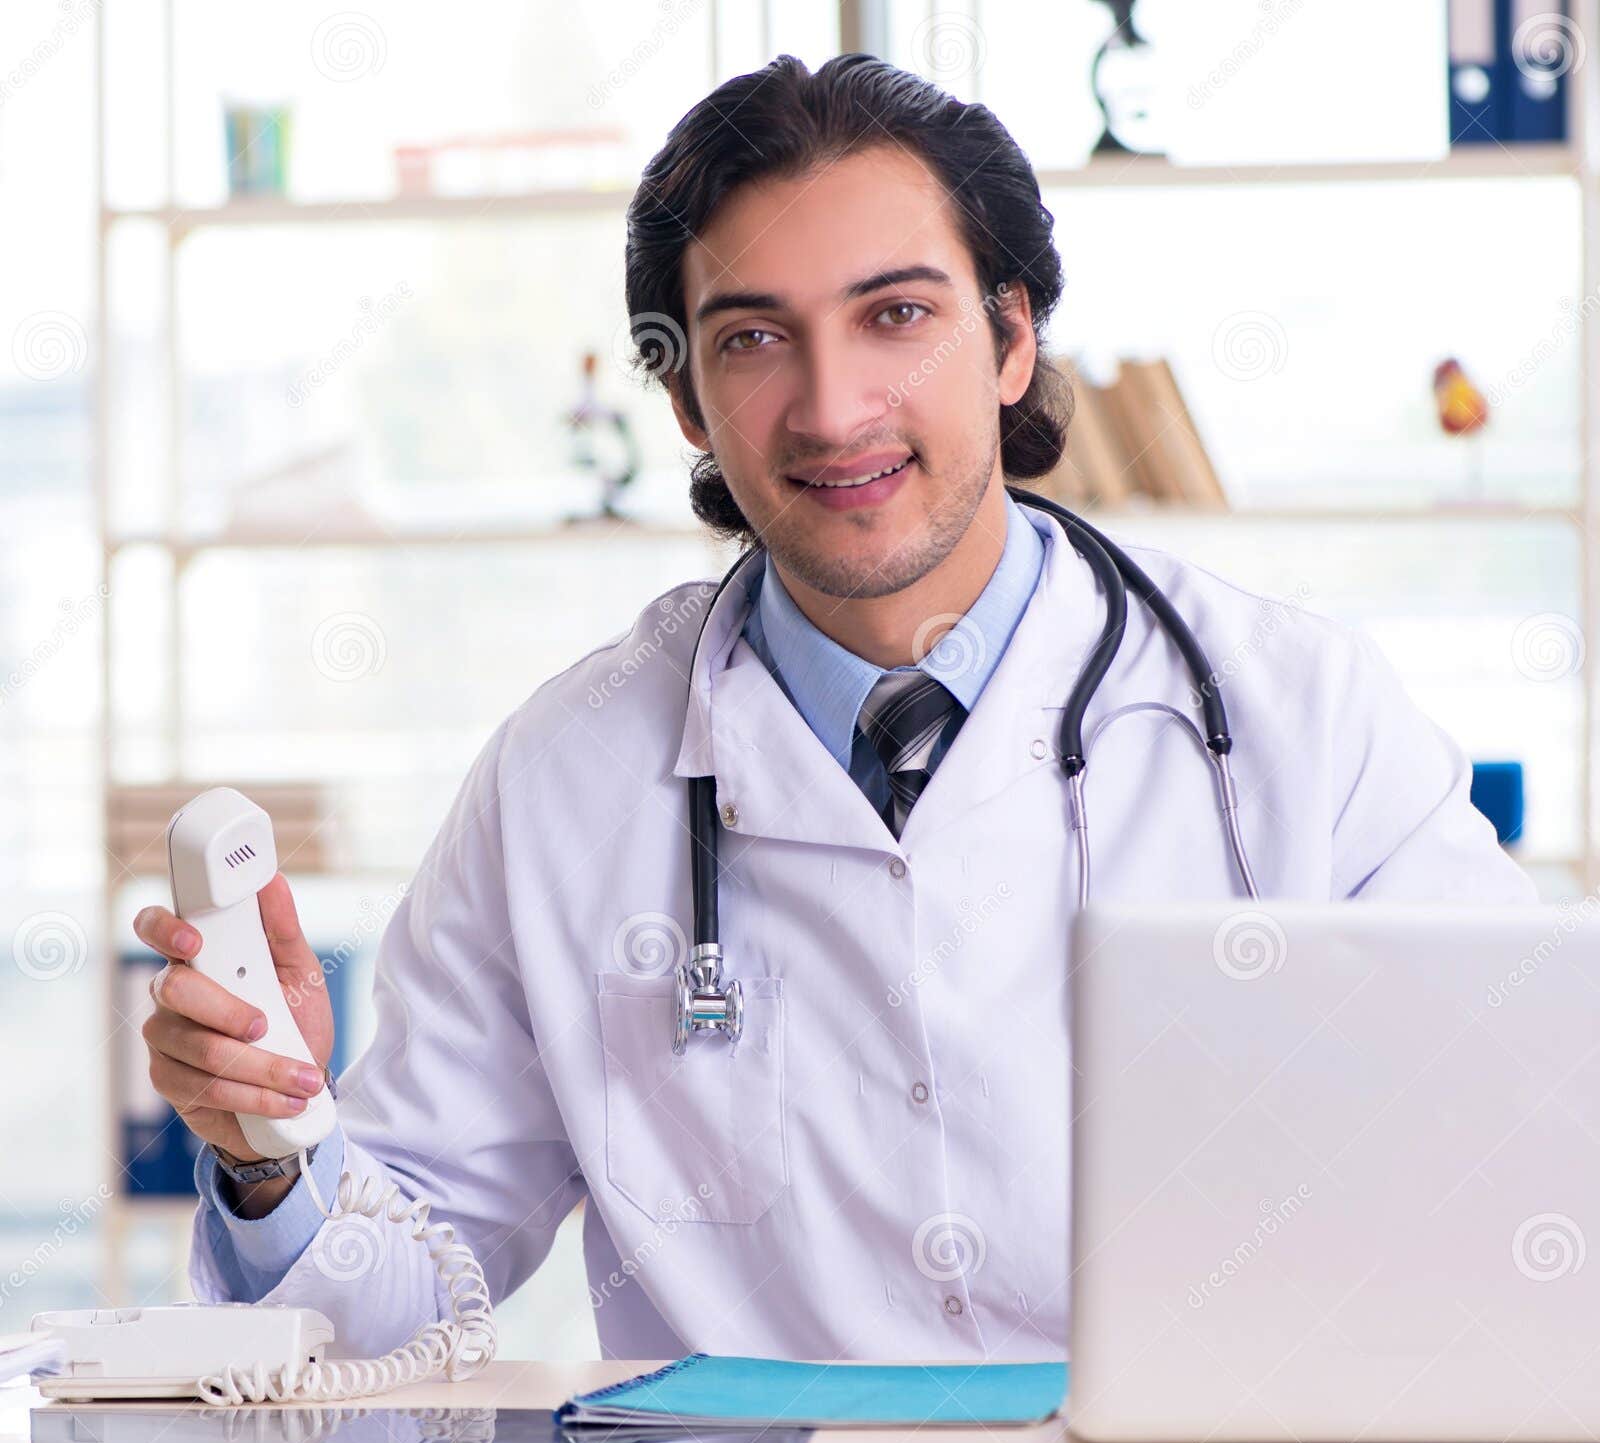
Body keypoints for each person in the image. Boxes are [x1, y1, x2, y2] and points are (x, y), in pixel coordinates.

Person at [133, 54, 1535, 1363]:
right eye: (753, 338)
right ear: (684, 399)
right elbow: (392, 1315)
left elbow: (1523, 1150)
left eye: (898, 315)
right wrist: (277, 1144)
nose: (832, 404)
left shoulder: (1300, 717)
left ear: (1009, 340)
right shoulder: (562, 781)